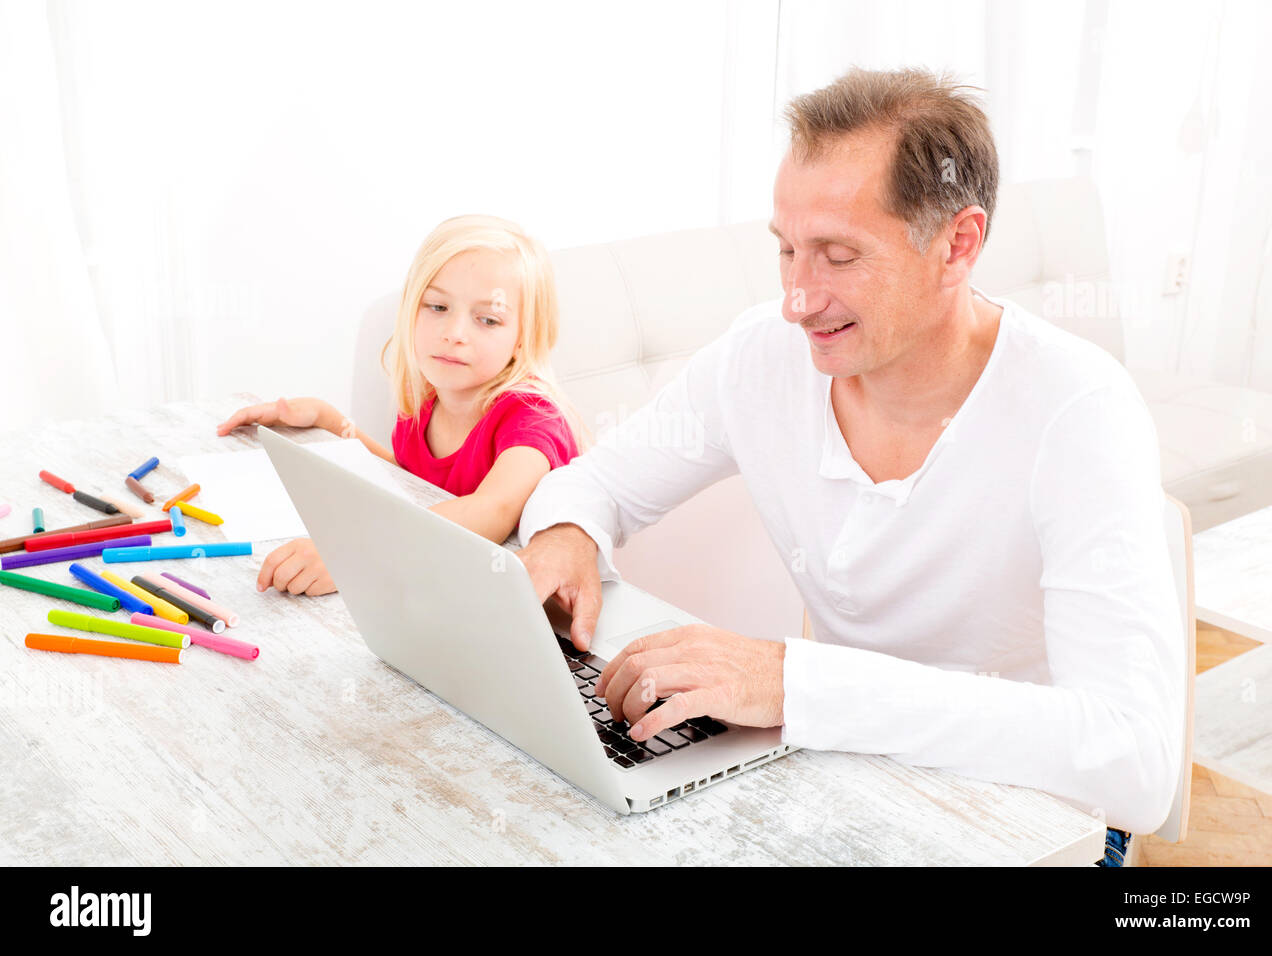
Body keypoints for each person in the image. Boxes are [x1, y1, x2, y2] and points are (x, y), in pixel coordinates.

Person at [515, 69, 1182, 865]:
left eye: (838, 256)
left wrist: (797, 685)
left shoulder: (1079, 412)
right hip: (842, 776)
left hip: (1032, 825)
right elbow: (599, 481)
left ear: (957, 245)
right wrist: (561, 530)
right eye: (788, 251)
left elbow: (1134, 762)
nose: (799, 297)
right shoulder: (761, 358)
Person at [218, 214, 585, 596]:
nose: (454, 334)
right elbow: (409, 480)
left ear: (525, 338)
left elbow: (491, 510)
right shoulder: (429, 400)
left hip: (531, 614)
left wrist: (356, 554)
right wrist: (328, 419)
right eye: (437, 307)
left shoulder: (532, 418)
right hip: (442, 587)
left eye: (488, 319)